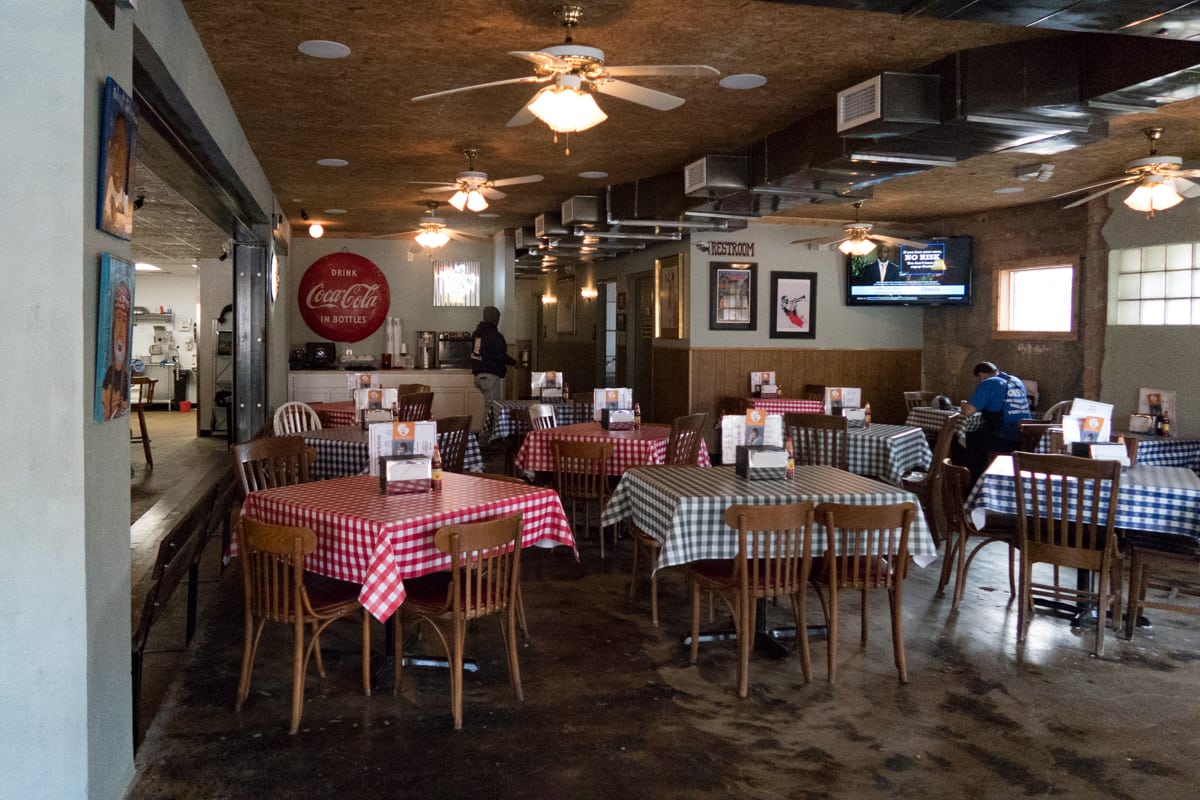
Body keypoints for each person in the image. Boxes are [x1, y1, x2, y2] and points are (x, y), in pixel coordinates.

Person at [953, 360, 1032, 482]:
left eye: (979, 379)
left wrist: (964, 405)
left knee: (961, 440)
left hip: (1002, 437)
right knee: (976, 436)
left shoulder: (989, 383)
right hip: (1022, 437)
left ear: (981, 375)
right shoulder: (1016, 381)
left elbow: (968, 411)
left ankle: (972, 482)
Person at [470, 305, 515, 409]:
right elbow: (501, 356)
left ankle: (489, 426)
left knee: (491, 408)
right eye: (498, 318)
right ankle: (486, 426)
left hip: (478, 377)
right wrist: (514, 363)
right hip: (490, 377)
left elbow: (476, 353)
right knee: (493, 409)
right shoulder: (495, 336)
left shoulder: (476, 334)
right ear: (495, 319)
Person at [100, 279, 133, 420]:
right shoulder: (108, 376)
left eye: (124, 321)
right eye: (118, 319)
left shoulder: (123, 377)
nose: (120, 332)